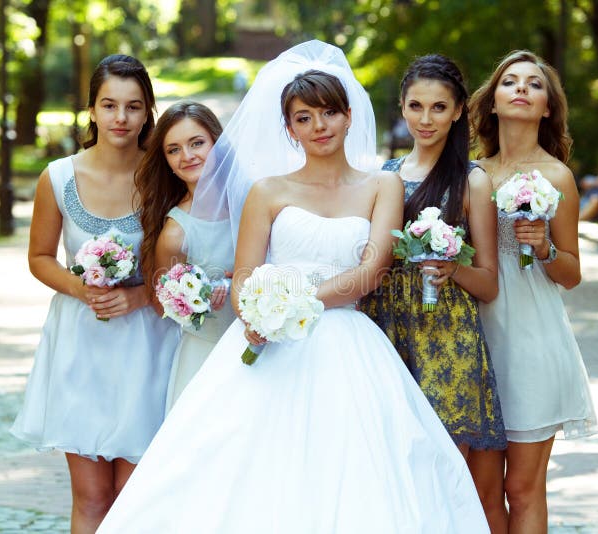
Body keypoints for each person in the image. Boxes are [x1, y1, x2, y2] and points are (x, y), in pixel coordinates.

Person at [97, 41, 489, 533]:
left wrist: (294, 302)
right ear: (289, 128)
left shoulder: (379, 186)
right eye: (303, 118)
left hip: (349, 345)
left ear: (348, 116)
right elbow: (243, 276)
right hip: (271, 344)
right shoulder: (268, 191)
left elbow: (371, 272)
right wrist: (255, 314)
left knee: (350, 470)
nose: (318, 127)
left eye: (327, 113)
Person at [9, 54, 178, 533]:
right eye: (109, 105)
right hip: (81, 347)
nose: (120, 118)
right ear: (92, 110)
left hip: (148, 346)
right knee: (92, 495)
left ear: (148, 113)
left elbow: (190, 259)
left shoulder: (163, 176)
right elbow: (40, 257)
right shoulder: (58, 177)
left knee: (134, 493)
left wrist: (142, 296)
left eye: (133, 106)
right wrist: (80, 289)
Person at [359, 53, 507, 523]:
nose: (426, 119)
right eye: (416, 106)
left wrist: (450, 267)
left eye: (439, 107)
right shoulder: (384, 176)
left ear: (460, 110)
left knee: (449, 478)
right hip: (387, 335)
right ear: (402, 107)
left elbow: (489, 284)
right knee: (395, 476)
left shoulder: (472, 181)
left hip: (448, 340)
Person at [469, 50, 598, 533]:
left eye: (534, 84)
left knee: (521, 490)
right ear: (494, 102)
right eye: (510, 82)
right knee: (482, 493)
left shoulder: (558, 176)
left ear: (547, 107)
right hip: (476, 341)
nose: (521, 88)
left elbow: (572, 273)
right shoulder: (472, 173)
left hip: (532, 343)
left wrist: (544, 248)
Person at [135, 101, 235, 413]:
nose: (187, 156)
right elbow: (163, 302)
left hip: (262, 346)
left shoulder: (253, 202)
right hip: (205, 356)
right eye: (174, 150)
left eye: (197, 143)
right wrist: (198, 299)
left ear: (217, 143)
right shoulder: (176, 232)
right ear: (166, 161)